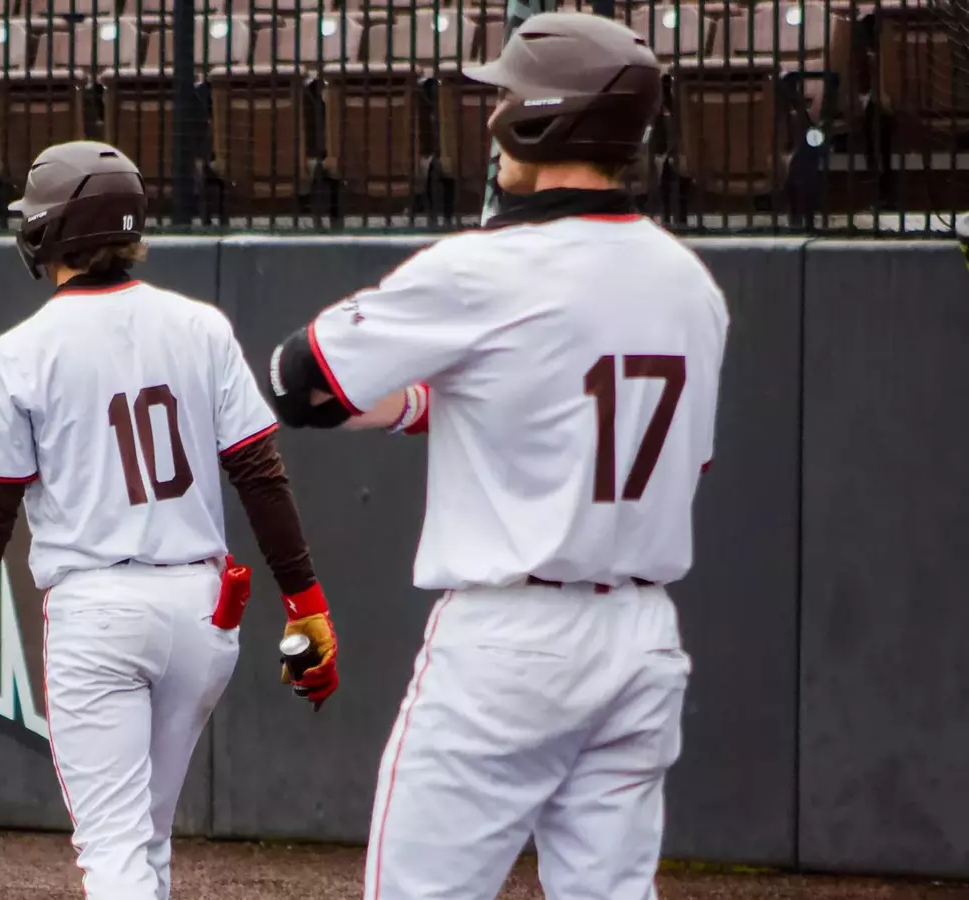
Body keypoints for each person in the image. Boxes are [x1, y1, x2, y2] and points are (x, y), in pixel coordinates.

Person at [265, 13, 730, 900]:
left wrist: (440, 373)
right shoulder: (691, 286)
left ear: (542, 118)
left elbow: (297, 380)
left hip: (511, 642)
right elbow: (627, 442)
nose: (492, 114)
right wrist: (443, 398)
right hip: (641, 641)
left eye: (508, 94)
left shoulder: (486, 269)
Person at [0, 140, 340, 899]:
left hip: (97, 611)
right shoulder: (200, 325)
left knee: (113, 851)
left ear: (51, 232)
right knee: (144, 844)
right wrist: (308, 603)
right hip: (202, 613)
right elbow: (259, 473)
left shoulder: (21, 351)